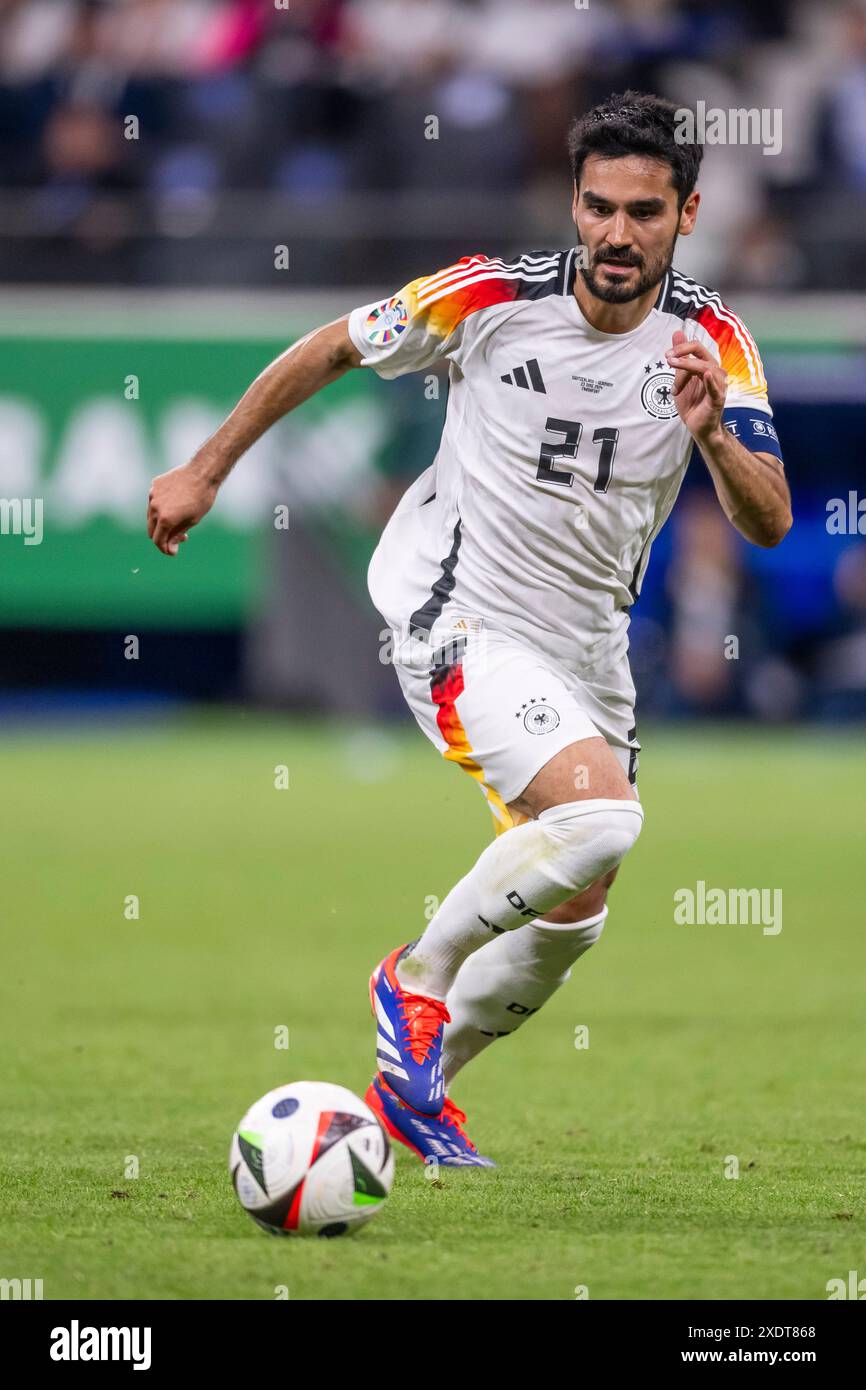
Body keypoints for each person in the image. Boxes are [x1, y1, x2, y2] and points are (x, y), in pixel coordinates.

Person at [147, 91, 792, 1167]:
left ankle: (399, 1104)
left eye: (642, 212)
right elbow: (332, 346)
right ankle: (413, 978)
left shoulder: (715, 343)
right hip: (462, 617)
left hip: (589, 650)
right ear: (573, 203)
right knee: (603, 821)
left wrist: (712, 435)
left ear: (687, 212)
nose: (614, 235)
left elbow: (766, 518)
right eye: (597, 208)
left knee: (575, 908)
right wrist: (207, 469)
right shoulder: (488, 295)